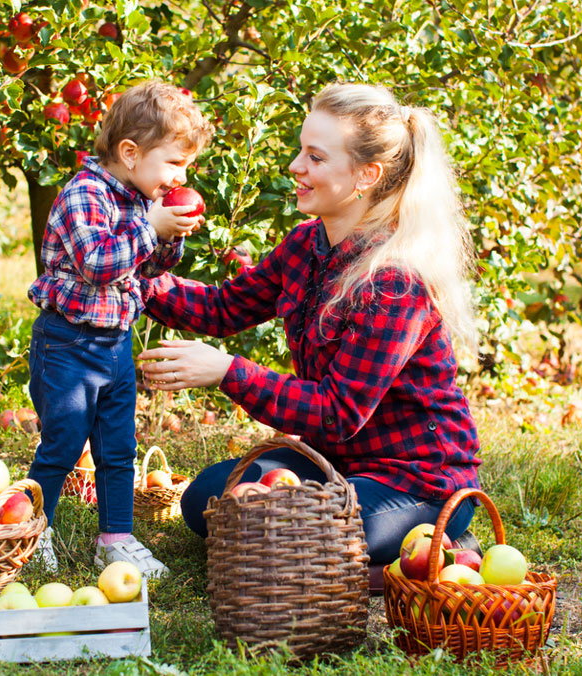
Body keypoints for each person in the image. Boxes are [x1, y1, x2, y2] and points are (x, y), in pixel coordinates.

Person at [136, 82, 481, 568]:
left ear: (367, 175)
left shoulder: (396, 282)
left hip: (416, 481)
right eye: (302, 152)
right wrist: (129, 276)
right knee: (208, 498)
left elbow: (339, 413)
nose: (296, 167)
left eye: (315, 158)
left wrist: (227, 371)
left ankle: (436, 544)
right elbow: (223, 308)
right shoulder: (306, 245)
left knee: (295, 533)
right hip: (335, 465)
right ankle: (385, 553)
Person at [25, 80, 213, 578]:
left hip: (115, 343)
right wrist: (151, 227)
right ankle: (32, 530)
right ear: (130, 152)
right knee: (62, 444)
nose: (180, 177)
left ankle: (115, 538)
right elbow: (99, 264)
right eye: (174, 164)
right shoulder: (85, 195)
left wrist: (168, 236)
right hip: (68, 343)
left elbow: (145, 271)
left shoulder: (137, 199)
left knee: (118, 447)